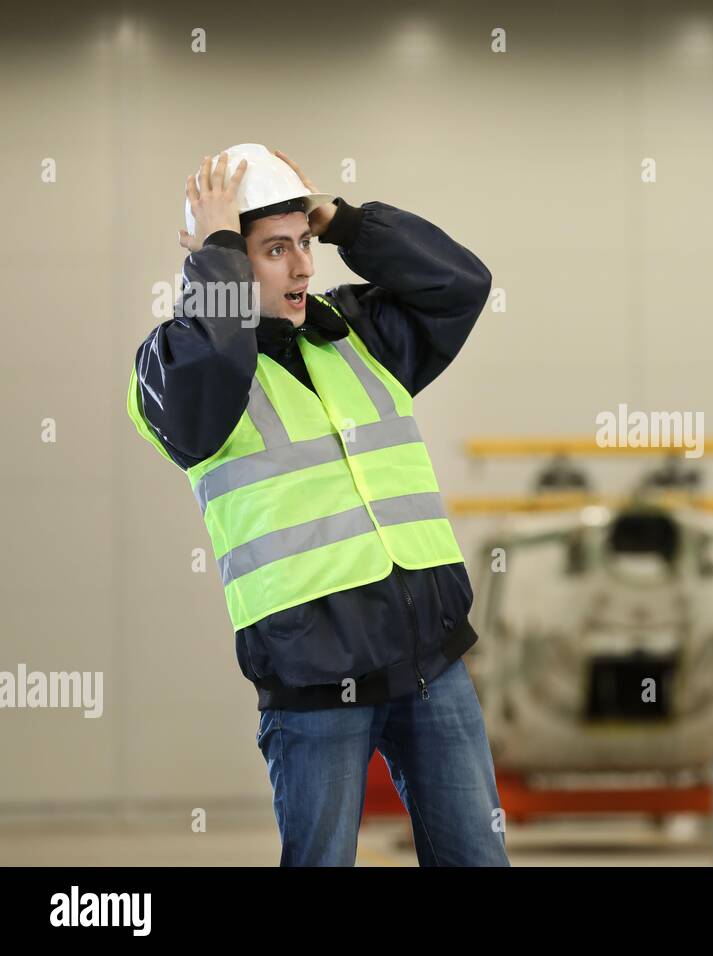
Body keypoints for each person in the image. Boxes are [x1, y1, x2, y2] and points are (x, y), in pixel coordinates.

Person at [126, 146, 509, 866]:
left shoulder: (355, 333)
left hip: (433, 660)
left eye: (305, 244)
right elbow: (213, 363)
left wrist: (342, 220)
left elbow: (460, 283)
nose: (304, 267)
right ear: (227, 266)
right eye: (275, 250)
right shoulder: (172, 369)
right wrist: (216, 252)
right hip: (314, 675)